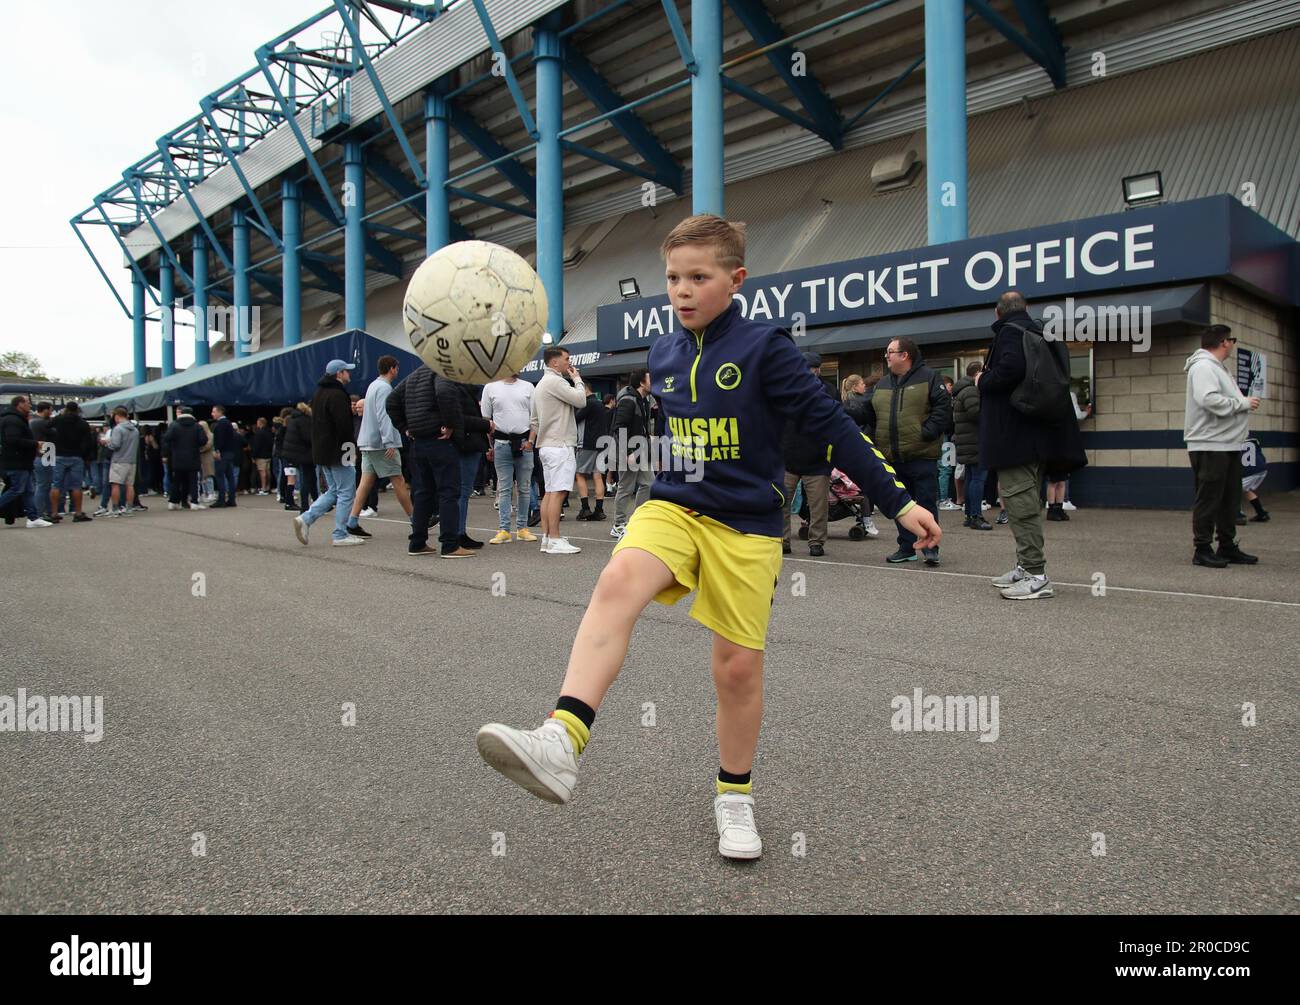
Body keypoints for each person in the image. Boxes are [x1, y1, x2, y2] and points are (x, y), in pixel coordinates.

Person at [475, 214, 939, 860]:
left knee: (737, 668)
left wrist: (900, 501)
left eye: (699, 276)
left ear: (736, 279)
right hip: (677, 505)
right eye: (672, 277)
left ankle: (734, 795)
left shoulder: (766, 349)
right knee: (616, 580)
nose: (682, 290)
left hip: (747, 522)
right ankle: (562, 739)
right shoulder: (663, 353)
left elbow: (832, 424)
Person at [978, 291, 1087, 598]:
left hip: (1015, 437)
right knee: (1025, 499)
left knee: (1019, 503)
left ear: (998, 313)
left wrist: (982, 381)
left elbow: (1009, 371)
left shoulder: (1010, 335)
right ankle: (1026, 567)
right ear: (1026, 308)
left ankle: (1036, 574)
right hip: (1039, 434)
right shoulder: (1037, 331)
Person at [848, 337, 949, 566]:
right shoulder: (883, 383)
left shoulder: (930, 378)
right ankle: (906, 547)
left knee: (925, 503)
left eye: (890, 352)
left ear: (905, 355)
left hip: (921, 454)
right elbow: (870, 414)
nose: (887, 356)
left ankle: (931, 547)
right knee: (899, 503)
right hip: (891, 455)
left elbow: (943, 410)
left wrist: (925, 433)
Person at [1182, 324, 1260, 568]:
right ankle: (1202, 549)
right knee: (1209, 498)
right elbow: (1208, 399)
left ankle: (1227, 545)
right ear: (1225, 342)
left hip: (1227, 443)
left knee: (1229, 498)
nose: (1232, 346)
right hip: (1210, 443)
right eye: (1232, 341)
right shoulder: (1204, 366)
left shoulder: (1219, 369)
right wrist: (1242, 403)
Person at [385, 362, 473, 558]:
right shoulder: (443, 371)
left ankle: (417, 542)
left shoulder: (415, 375)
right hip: (439, 440)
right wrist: (450, 424)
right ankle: (450, 545)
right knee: (449, 492)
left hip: (419, 443)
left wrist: (404, 427)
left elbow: (391, 401)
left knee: (423, 492)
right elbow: (444, 392)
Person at [294, 360, 365, 547]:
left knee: (333, 490)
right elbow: (343, 427)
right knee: (347, 492)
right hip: (340, 450)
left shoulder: (319, 393)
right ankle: (340, 533)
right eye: (346, 372)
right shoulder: (338, 394)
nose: (349, 374)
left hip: (323, 451)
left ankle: (306, 519)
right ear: (339, 374)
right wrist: (351, 450)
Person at [344, 356, 413, 538]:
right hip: (380, 443)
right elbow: (385, 415)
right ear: (392, 369)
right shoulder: (384, 388)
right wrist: (389, 441)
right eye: (396, 368)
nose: (397, 370)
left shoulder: (373, 385)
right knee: (398, 479)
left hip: (368, 442)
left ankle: (352, 521)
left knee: (365, 482)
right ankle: (416, 519)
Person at [531, 346, 588, 555]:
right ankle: (554, 538)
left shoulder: (540, 385)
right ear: (554, 362)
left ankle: (547, 537)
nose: (569, 362)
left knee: (549, 492)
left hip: (546, 444)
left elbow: (534, 420)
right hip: (560, 444)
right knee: (558, 493)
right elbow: (581, 400)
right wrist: (578, 380)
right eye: (566, 359)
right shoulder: (556, 381)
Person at [781, 351, 835, 557]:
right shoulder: (786, 389)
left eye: (813, 369)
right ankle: (783, 540)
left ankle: (817, 542)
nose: (810, 373)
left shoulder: (829, 391)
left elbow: (835, 422)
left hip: (818, 459)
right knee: (782, 503)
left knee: (818, 506)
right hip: (787, 457)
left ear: (819, 370)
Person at [481, 371, 538, 545]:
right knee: (504, 488)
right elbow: (485, 420)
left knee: (524, 488)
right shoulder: (490, 387)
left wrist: (530, 441)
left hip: (523, 442)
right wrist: (489, 447)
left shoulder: (528, 386)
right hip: (501, 442)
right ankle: (504, 529)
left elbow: (535, 418)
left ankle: (522, 528)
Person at [608, 368, 654, 540]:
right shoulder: (628, 400)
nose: (654, 382)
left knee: (649, 484)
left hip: (640, 450)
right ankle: (618, 525)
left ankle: (637, 520)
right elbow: (619, 427)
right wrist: (628, 452)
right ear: (642, 382)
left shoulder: (643, 399)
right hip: (628, 451)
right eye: (651, 379)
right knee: (626, 488)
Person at [450, 380, 492, 549]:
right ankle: (458, 533)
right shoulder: (458, 390)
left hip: (466, 443)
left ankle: (459, 532)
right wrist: (486, 424)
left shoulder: (462, 389)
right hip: (466, 443)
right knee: (462, 491)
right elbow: (460, 418)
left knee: (461, 491)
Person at [0, 395, 53, 528]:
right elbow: (12, 440)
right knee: (16, 489)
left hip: (21, 461)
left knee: (28, 490)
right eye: (28, 403)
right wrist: (35, 443)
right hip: (16, 461)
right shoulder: (13, 420)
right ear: (20, 404)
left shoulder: (15, 418)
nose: (30, 405)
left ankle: (33, 518)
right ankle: (33, 517)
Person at [952, 361, 991, 531]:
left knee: (970, 477)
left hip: (967, 441)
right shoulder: (971, 391)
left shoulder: (963, 390)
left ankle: (969, 515)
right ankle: (976, 516)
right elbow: (976, 413)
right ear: (978, 374)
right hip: (975, 441)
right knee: (978, 478)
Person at [45, 401, 97, 523]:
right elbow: (88, 442)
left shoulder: (59, 420)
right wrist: (86, 457)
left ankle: (54, 512)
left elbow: (47, 427)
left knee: (56, 484)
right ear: (77, 410)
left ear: (66, 409)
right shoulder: (82, 423)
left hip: (59, 455)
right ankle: (78, 512)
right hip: (76, 456)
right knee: (76, 485)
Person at [1046, 391, 1092, 520]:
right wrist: (1086, 413)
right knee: (1059, 479)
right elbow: (1077, 414)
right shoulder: (1069, 394)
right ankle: (1055, 508)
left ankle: (1055, 508)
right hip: (1064, 440)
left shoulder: (1048, 394)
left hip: (1053, 439)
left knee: (1056, 479)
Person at [574, 382, 610, 523]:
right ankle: (599, 510)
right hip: (602, 444)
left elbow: (575, 419)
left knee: (579, 474)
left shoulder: (587, 404)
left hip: (587, 444)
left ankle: (585, 508)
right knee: (597, 476)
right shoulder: (600, 404)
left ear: (584, 389)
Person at [162, 406, 208, 510]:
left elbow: (166, 438)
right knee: (193, 481)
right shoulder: (197, 426)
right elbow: (203, 441)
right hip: (193, 458)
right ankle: (194, 502)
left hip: (177, 458)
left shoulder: (174, 425)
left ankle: (173, 502)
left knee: (176, 481)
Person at [281, 402, 316, 513]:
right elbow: (308, 437)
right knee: (307, 479)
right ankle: (306, 504)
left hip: (293, 454)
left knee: (307, 478)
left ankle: (315, 501)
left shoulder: (293, 420)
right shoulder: (304, 420)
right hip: (304, 453)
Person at [937, 375, 960, 510]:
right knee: (945, 468)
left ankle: (940, 498)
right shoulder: (945, 399)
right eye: (950, 385)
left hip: (939, 437)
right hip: (946, 436)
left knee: (941, 468)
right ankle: (944, 499)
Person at [210, 405, 239, 507]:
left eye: (214, 412)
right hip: (230, 453)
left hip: (222, 453)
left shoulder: (221, 424)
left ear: (220, 412)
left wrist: (217, 450)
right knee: (230, 477)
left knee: (220, 476)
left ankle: (221, 500)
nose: (212, 414)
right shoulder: (228, 423)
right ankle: (231, 499)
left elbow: (220, 440)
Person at [29, 401, 54, 520]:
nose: (51, 412)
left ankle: (47, 511)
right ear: (45, 410)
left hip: (39, 455)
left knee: (44, 485)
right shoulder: (42, 423)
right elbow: (55, 433)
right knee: (43, 485)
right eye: (50, 410)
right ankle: (39, 513)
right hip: (44, 455)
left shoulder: (31, 422)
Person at [1240, 434, 1270, 524]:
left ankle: (1239, 515)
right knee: (1245, 489)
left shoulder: (1235, 440)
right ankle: (1261, 513)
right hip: (1262, 469)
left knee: (1232, 490)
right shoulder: (1253, 440)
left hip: (1249, 471)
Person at [251, 417, 274, 495]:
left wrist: (253, 455)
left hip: (260, 455)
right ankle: (268, 487)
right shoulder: (269, 432)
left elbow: (256, 445)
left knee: (262, 472)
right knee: (268, 472)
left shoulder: (259, 433)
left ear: (260, 423)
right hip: (268, 455)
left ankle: (263, 488)